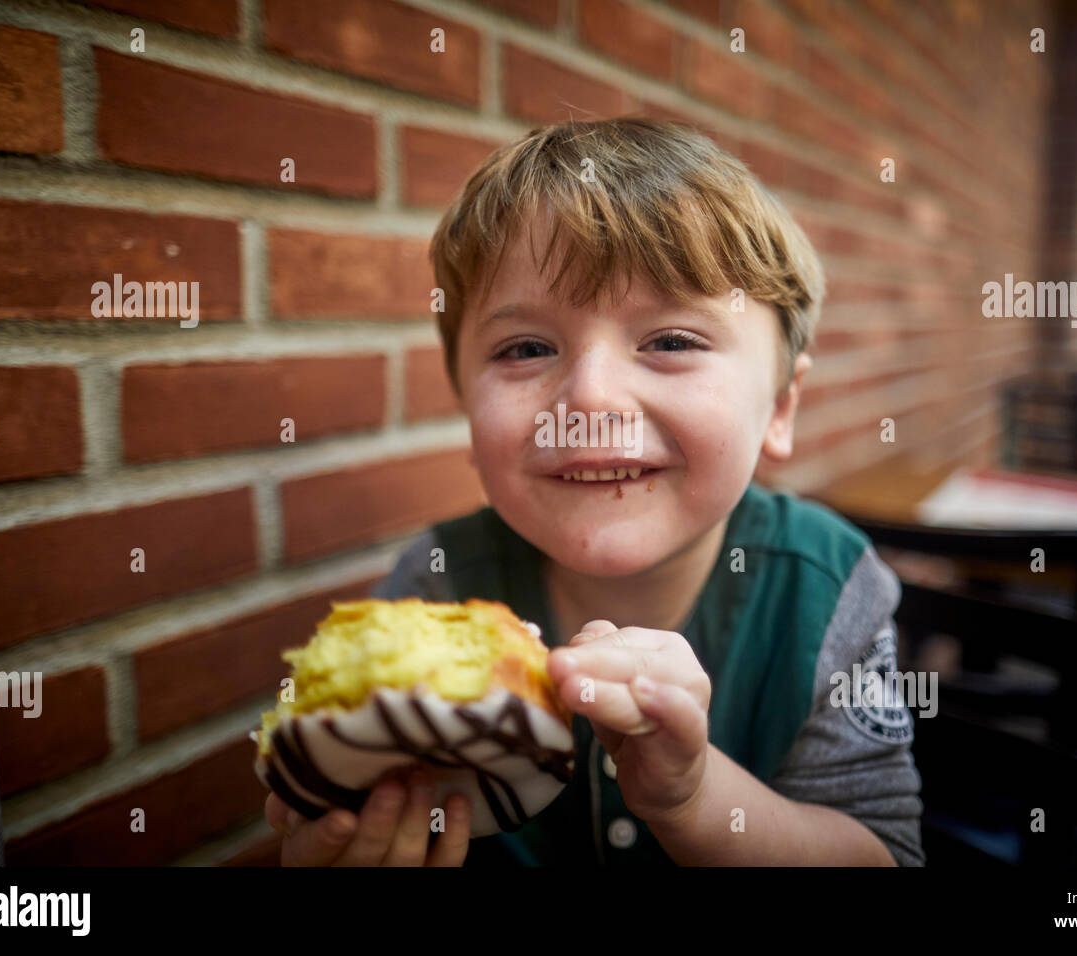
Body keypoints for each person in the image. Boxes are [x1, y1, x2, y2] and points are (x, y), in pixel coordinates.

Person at [264, 117, 925, 866]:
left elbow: (884, 854)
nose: (591, 398)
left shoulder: (831, 589)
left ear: (779, 407)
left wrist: (694, 798)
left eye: (671, 341)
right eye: (526, 349)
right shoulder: (434, 589)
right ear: (466, 410)